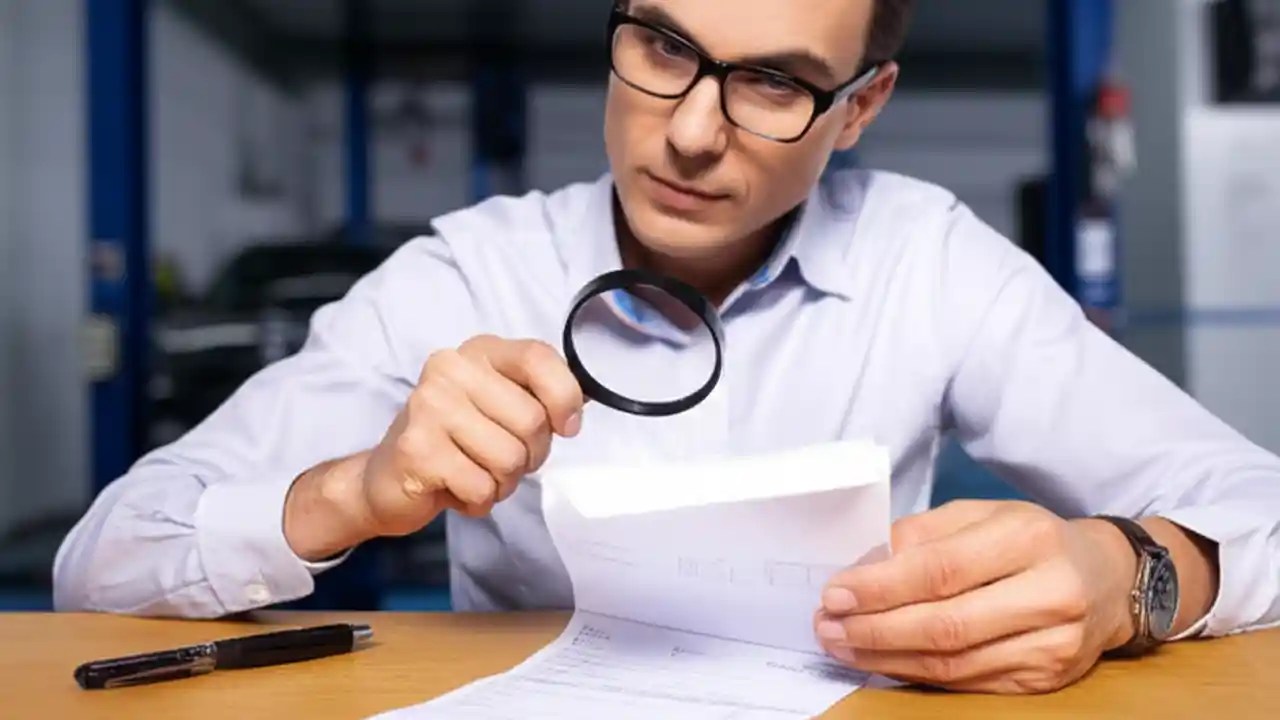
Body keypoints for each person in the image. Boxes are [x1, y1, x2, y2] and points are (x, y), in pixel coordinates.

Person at [54, 0, 1280, 696]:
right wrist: (353, 491)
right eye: (661, 49)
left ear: (858, 109)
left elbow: (1255, 507)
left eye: (773, 87)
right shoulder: (472, 270)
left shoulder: (929, 260)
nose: (690, 133)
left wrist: (1135, 574)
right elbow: (100, 564)